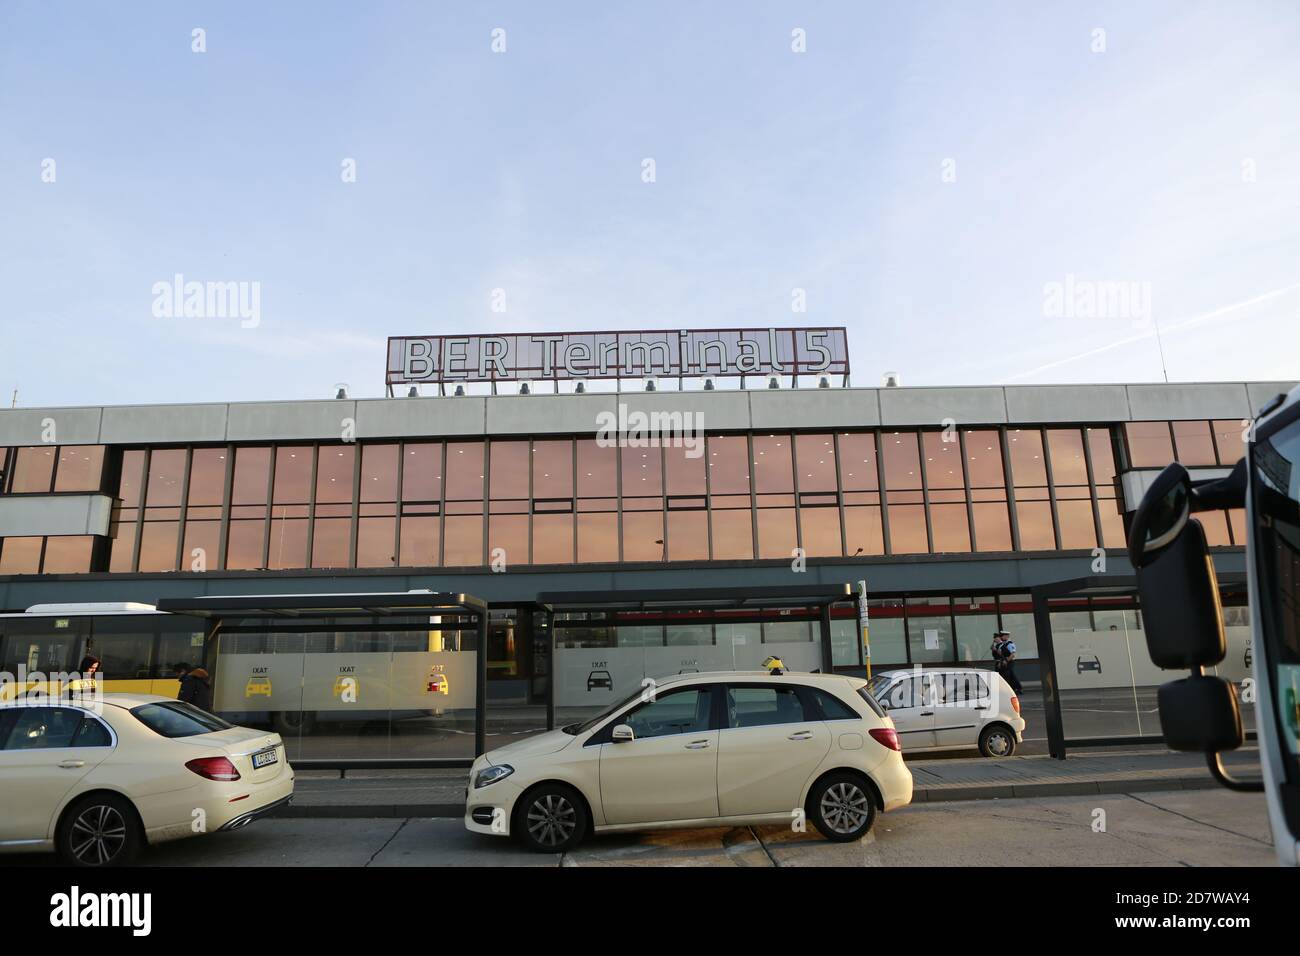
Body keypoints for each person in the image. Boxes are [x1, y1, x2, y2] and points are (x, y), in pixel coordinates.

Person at [990, 629, 1023, 694]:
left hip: (1009, 661)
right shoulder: (1002, 644)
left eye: (1002, 636)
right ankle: (1014, 688)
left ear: (1006, 636)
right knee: (1009, 675)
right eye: (1001, 636)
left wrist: (1006, 661)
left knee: (1010, 675)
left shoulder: (1009, 644)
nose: (1001, 637)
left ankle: (1018, 688)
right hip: (1003, 661)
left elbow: (1012, 655)